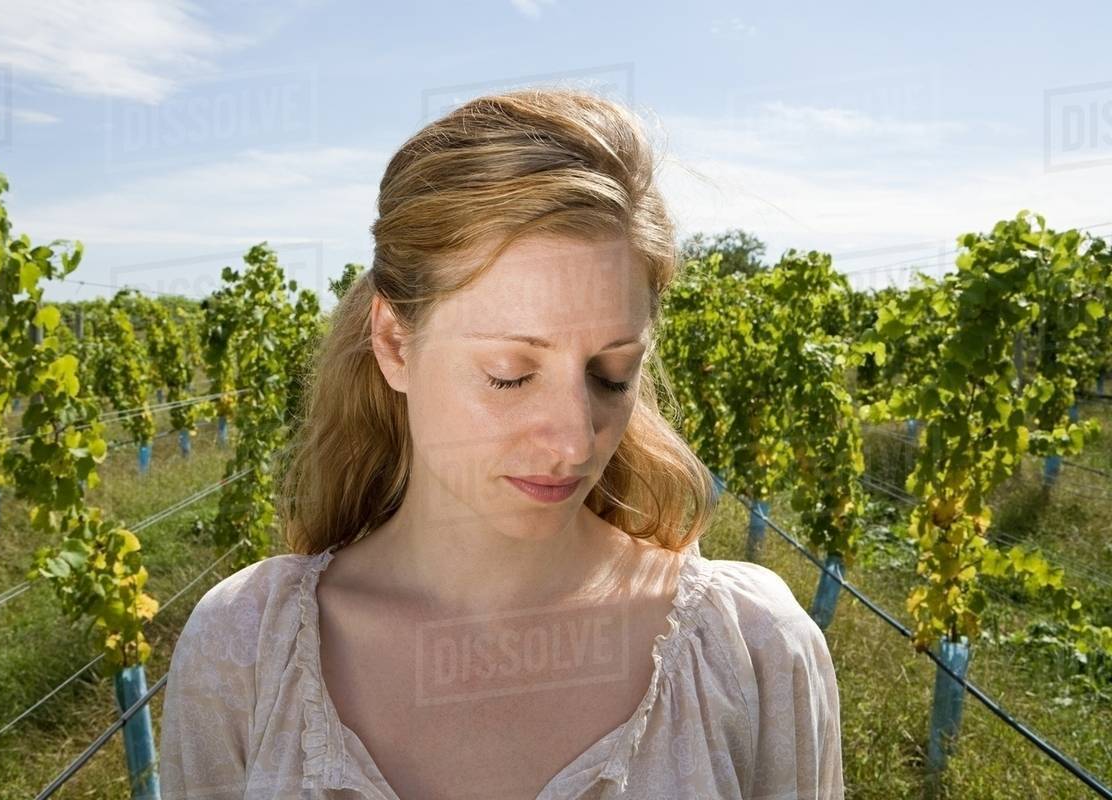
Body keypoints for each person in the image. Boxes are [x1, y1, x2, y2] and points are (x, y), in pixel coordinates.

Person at [159, 87, 844, 799]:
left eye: (612, 374)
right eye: (510, 375)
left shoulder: (755, 649)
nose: (574, 440)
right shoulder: (242, 652)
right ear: (395, 344)